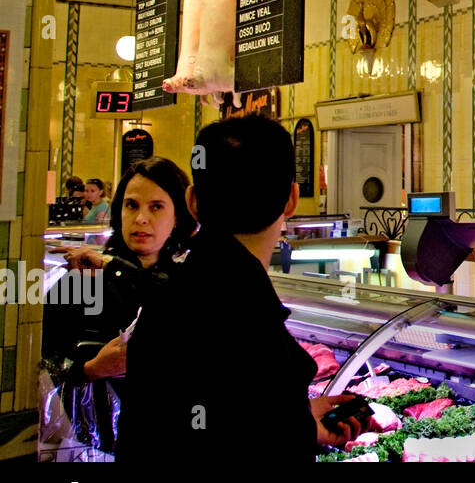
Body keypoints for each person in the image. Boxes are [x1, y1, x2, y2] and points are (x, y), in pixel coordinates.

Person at [116, 116, 365, 462]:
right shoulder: (247, 310)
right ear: (291, 200)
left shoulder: (173, 295)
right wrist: (294, 427)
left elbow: (202, 421)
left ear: (191, 201)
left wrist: (295, 421)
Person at [42, 157, 196, 456]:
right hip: (89, 447)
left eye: (156, 207)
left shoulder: (184, 284)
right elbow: (45, 365)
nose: (141, 218)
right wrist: (90, 369)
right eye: (131, 205)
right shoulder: (82, 279)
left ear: (177, 216)